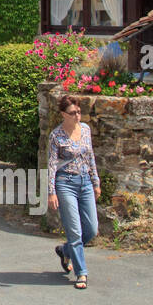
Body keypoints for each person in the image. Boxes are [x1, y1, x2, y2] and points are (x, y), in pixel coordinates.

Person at [47, 95, 100, 290]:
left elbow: (90, 156)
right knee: (75, 231)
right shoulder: (56, 136)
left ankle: (65, 250)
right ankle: (81, 273)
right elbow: (52, 165)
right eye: (72, 113)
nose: (77, 115)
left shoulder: (85, 130)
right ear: (63, 114)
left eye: (78, 111)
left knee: (92, 229)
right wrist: (51, 192)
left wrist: (96, 182)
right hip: (65, 183)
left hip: (85, 181)